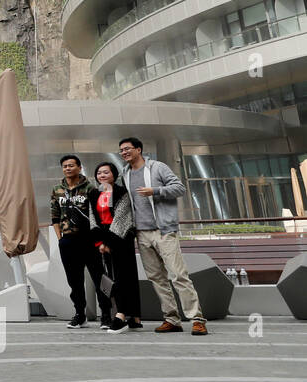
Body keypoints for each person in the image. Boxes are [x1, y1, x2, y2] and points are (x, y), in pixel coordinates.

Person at [118, 137, 208, 335]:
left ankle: (197, 319)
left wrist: (156, 191)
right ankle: (172, 319)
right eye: (121, 151)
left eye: (127, 149)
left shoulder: (158, 167)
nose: (124, 153)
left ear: (139, 149)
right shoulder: (124, 174)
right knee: (157, 278)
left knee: (178, 275)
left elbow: (180, 188)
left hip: (164, 231)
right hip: (141, 233)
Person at [50, 154, 114, 329]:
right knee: (74, 280)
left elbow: (100, 216)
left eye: (71, 165)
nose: (68, 168)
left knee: (99, 277)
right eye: (65, 166)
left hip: (89, 240)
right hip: (68, 242)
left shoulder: (91, 189)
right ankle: (80, 314)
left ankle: (106, 315)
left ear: (79, 167)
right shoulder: (57, 189)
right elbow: (54, 216)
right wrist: (60, 238)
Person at [88, 162, 144, 331]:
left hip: (121, 239)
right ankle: (128, 315)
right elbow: (93, 219)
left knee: (125, 276)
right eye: (99, 173)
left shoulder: (121, 192)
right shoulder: (93, 193)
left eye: (106, 172)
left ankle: (124, 315)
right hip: (102, 240)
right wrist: (99, 242)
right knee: (112, 277)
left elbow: (121, 218)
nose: (102, 175)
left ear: (114, 174)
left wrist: (108, 242)